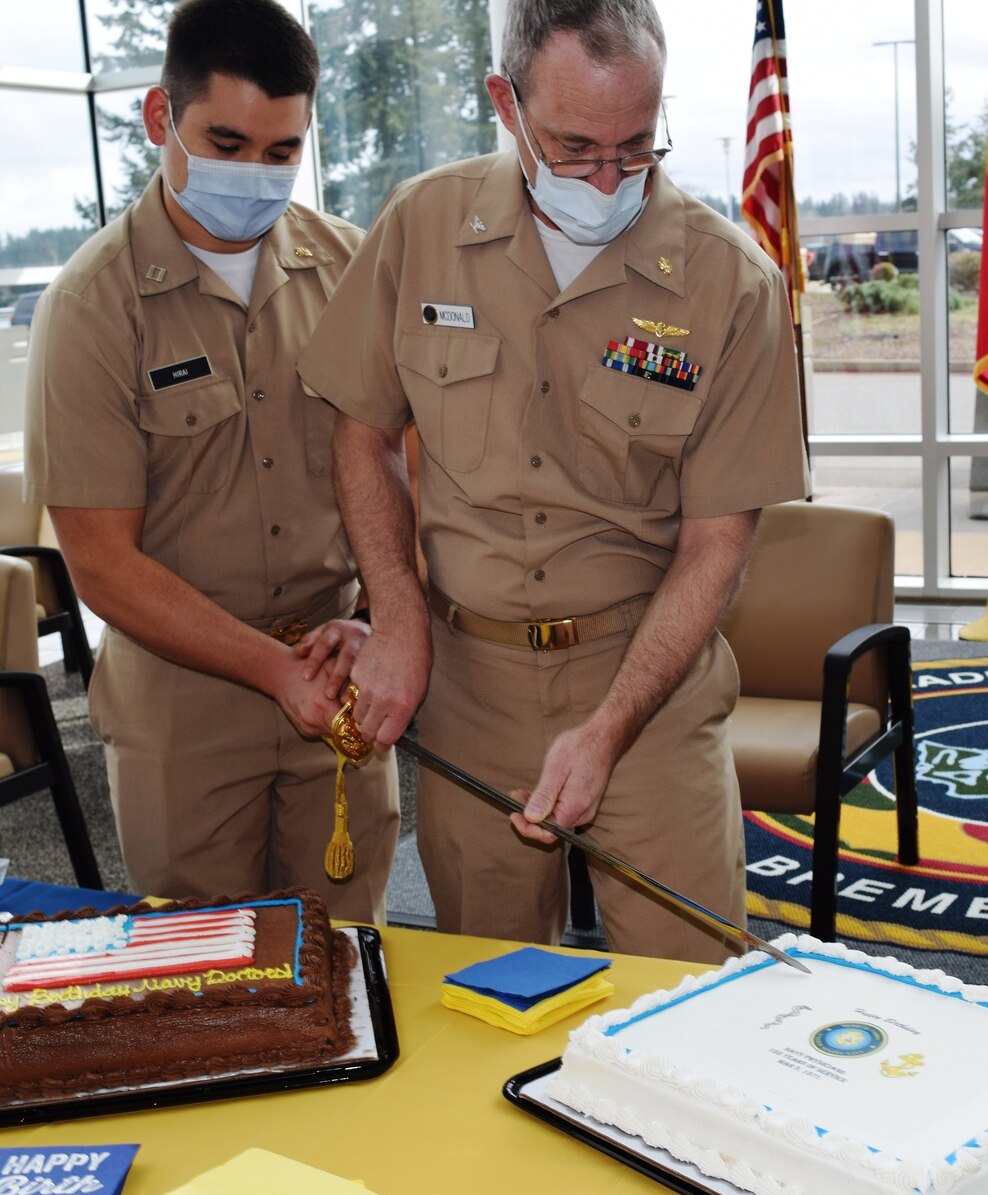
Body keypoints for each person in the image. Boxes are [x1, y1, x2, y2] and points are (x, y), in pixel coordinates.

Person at [298, 0, 807, 960]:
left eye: (636, 145)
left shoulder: (728, 280)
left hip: (645, 686)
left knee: (684, 994)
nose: (609, 178)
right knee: (488, 990)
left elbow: (716, 542)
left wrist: (609, 726)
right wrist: (399, 620)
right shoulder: (422, 226)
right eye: (575, 147)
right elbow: (360, 434)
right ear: (506, 102)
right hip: (466, 685)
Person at [23, 0, 398, 925]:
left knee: (354, 969)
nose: (255, 175)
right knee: (209, 987)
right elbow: (102, 562)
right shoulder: (91, 308)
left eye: (281, 153)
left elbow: (411, 478)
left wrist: (385, 619)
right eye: (225, 142)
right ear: (161, 120)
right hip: (183, 706)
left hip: (336, 670)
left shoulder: (353, 270)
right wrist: (270, 671)